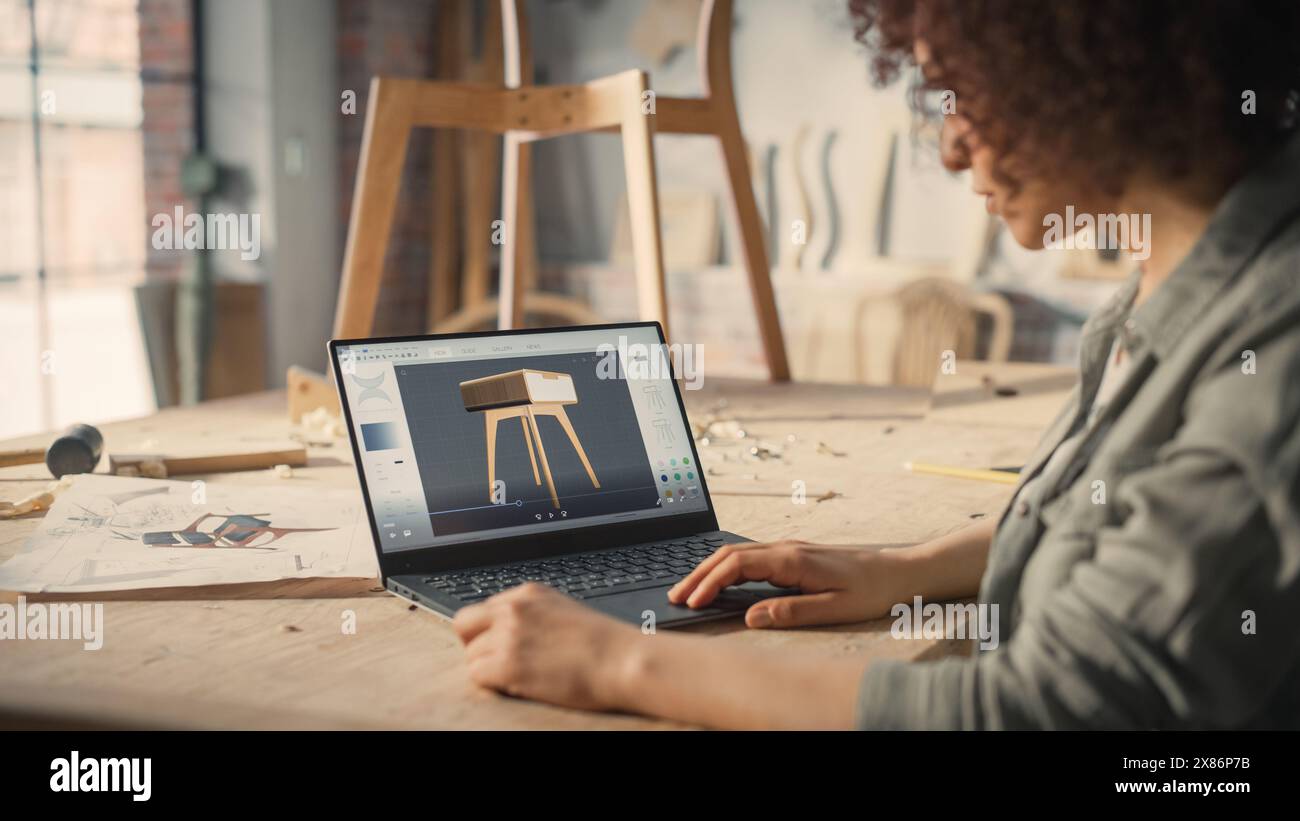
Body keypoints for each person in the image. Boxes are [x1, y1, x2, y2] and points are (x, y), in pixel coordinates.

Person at [452, 0, 1300, 729]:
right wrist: (903, 569)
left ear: (1092, 70)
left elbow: (1048, 712)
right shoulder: (1167, 288)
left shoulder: (1275, 335)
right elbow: (1115, 519)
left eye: (966, 94)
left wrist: (618, 664)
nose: (955, 150)